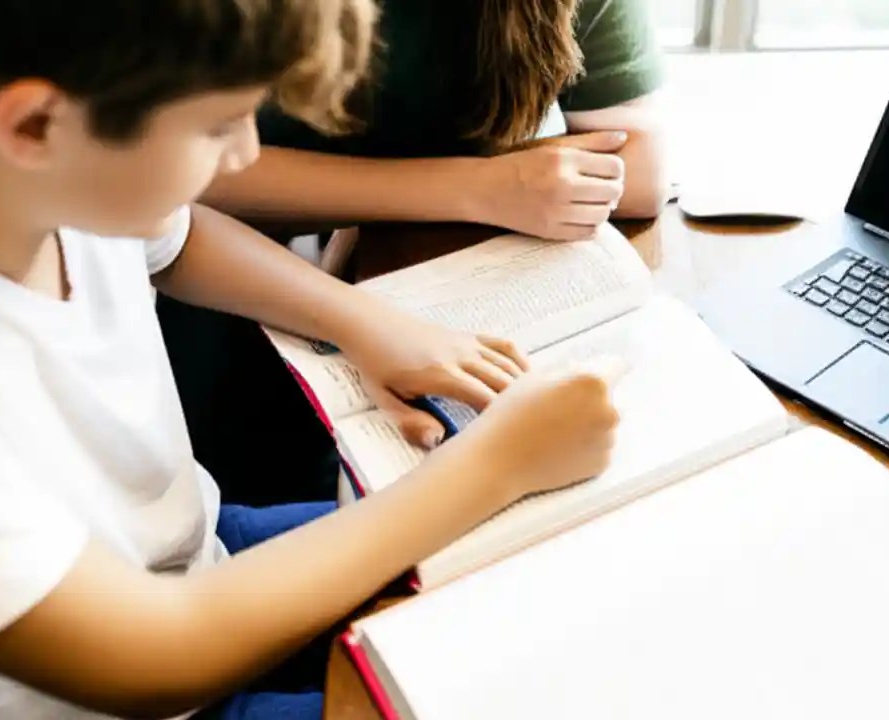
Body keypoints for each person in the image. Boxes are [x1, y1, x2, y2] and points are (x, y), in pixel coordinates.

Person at [0, 2, 621, 718]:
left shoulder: (28, 178)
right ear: (35, 126)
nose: (245, 154)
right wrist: (496, 465)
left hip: (196, 550)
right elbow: (160, 655)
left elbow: (179, 241)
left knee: (556, 570)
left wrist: (366, 323)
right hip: (154, 663)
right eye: (219, 125)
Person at [161, 0, 666, 507]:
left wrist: (478, 190)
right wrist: (472, 188)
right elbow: (188, 182)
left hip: (401, 280)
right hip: (227, 285)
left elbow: (640, 168)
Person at [204, 0, 670, 240]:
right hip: (222, 256)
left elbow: (640, 170)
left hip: (423, 259)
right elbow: (201, 180)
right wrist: (475, 188)